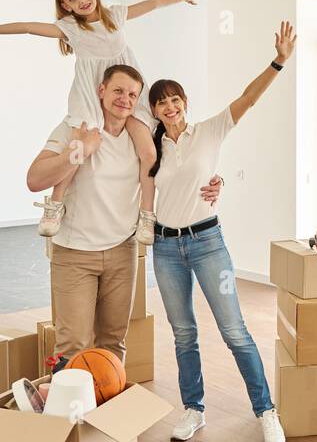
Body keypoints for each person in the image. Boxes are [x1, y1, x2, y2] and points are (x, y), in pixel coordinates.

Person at [0, 0, 195, 243]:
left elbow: (152, 4)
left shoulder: (115, 15)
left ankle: (146, 215)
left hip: (128, 89)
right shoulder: (70, 28)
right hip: (92, 94)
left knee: (149, 152)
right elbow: (27, 27)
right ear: (66, 6)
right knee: (82, 147)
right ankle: (56, 204)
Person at [151, 21, 298, 442]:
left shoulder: (211, 130)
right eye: (161, 104)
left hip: (207, 242)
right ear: (155, 111)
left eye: (174, 99)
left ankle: (266, 411)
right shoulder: (150, 147)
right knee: (183, 333)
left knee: (234, 330)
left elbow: (249, 98)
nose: (170, 107)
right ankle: (193, 410)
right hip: (165, 247)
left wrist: (279, 61)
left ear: (184, 101)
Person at [25, 64, 221, 363]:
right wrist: (80, 150)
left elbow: (185, 165)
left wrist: (218, 181)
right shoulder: (75, 128)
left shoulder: (143, 136)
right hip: (75, 253)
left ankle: (108, 409)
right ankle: (70, 409)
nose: (125, 99)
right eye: (118, 91)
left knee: (113, 343)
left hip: (122, 251)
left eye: (132, 94)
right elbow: (35, 179)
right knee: (73, 346)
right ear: (101, 91)